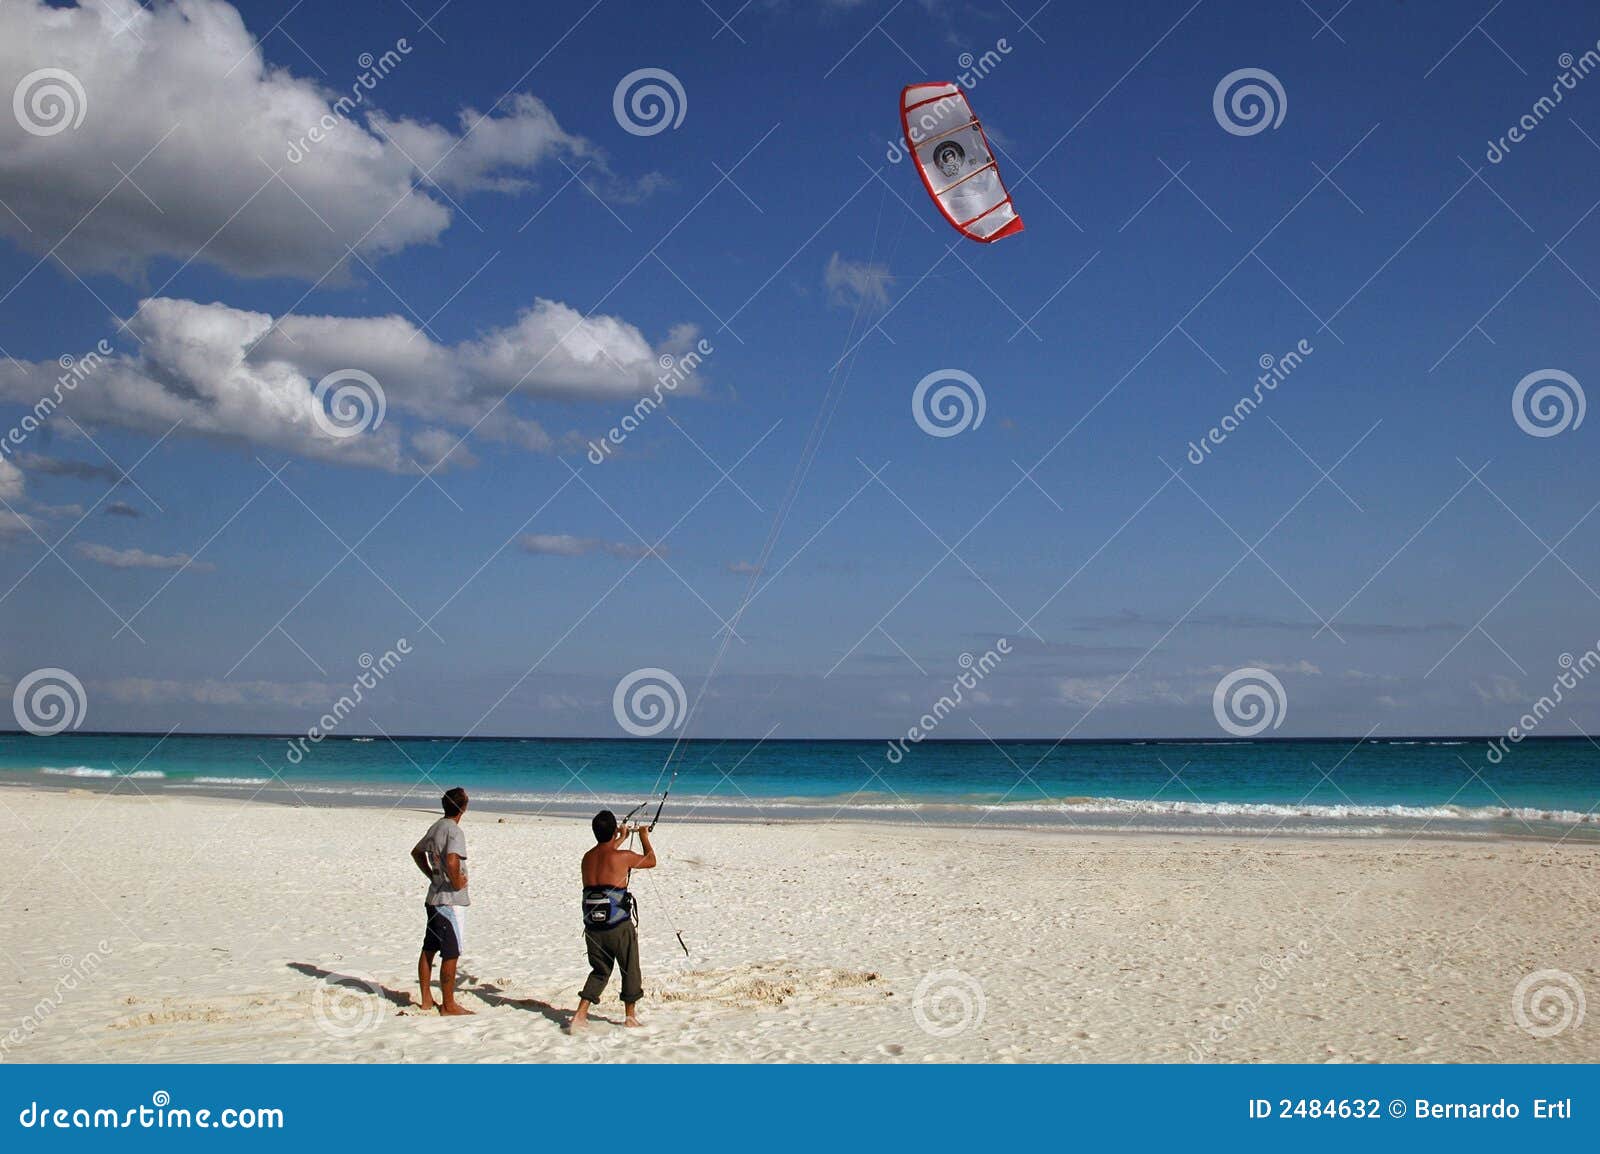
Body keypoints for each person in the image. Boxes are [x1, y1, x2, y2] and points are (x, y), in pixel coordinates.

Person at [569, 809, 655, 1031]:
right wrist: (644, 835)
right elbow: (650, 860)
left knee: (599, 970)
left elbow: (604, 854)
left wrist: (622, 837)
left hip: (593, 927)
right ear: (612, 832)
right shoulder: (622, 856)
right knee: (630, 968)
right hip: (618, 927)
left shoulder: (587, 858)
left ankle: (580, 1013)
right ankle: (630, 1016)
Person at [411, 787, 473, 1015]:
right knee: (451, 953)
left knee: (429, 949)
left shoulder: (436, 826)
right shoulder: (454, 831)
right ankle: (448, 1005)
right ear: (463, 808)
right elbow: (452, 859)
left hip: (433, 898)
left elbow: (417, 852)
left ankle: (427, 999)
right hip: (449, 902)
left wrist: (431, 874)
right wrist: (457, 883)